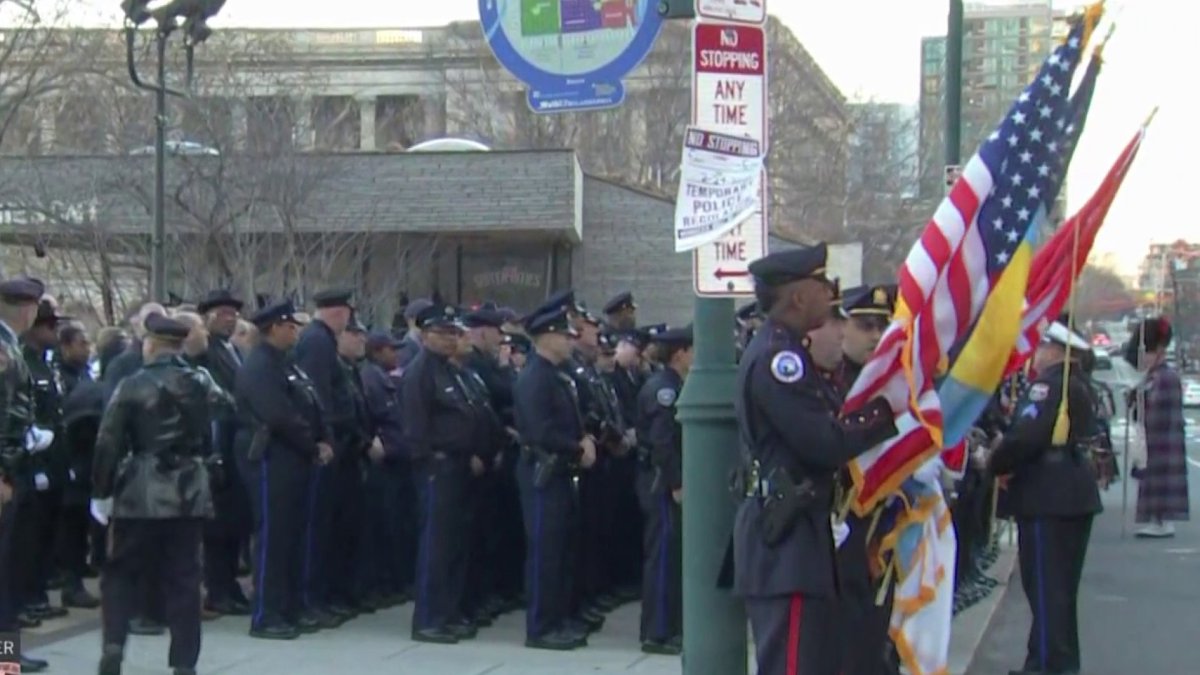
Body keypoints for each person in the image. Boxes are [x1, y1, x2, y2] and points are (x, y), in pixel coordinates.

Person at [733, 244, 898, 675]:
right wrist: (887, 412)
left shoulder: (789, 351)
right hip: (786, 542)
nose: (829, 293)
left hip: (801, 539)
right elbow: (823, 441)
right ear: (798, 296)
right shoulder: (779, 359)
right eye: (821, 284)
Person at [92, 312, 229, 675]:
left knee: (120, 571)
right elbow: (225, 408)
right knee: (185, 578)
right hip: (188, 488)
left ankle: (114, 644)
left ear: (151, 345)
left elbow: (108, 441)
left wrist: (101, 491)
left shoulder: (133, 384)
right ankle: (184, 662)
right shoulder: (201, 381)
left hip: (140, 488)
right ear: (180, 346)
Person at [988, 320, 1102, 675]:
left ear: (1054, 351)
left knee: (1045, 587)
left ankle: (1048, 665)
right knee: (1060, 591)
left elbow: (1026, 436)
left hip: (1047, 494)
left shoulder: (1049, 386)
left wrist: (995, 462)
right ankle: (1052, 661)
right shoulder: (1079, 383)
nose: (1035, 354)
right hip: (1071, 492)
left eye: (1040, 347)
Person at [236, 301, 329, 640]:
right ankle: (267, 614)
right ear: (273, 327)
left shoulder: (286, 362)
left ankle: (291, 606)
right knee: (274, 537)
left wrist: (323, 438)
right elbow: (278, 415)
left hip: (295, 458)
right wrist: (312, 444)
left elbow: (311, 403)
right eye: (290, 326)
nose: (295, 332)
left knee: (293, 535)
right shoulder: (260, 365)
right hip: (271, 457)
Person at [514, 303, 596, 651]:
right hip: (543, 471)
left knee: (561, 550)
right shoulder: (535, 377)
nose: (569, 341)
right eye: (564, 335)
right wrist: (577, 448)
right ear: (545, 338)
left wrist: (584, 438)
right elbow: (540, 430)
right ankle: (541, 626)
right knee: (545, 552)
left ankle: (559, 617)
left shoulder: (556, 374)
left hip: (561, 471)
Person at [402, 303, 479, 644]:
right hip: (437, 467)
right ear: (424, 335)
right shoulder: (420, 371)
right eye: (442, 333)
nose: (450, 339)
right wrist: (429, 460)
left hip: (458, 466)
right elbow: (415, 424)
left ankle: (448, 612)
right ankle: (429, 619)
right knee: (436, 545)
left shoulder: (449, 370)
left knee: (453, 545)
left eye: (454, 333)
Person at [292, 288, 357, 625]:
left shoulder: (322, 340)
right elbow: (317, 395)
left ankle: (320, 595)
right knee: (315, 527)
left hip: (336, 442)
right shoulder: (317, 342)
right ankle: (309, 599)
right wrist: (325, 437)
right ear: (339, 313)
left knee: (327, 527)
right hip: (324, 446)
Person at [0, 277, 52, 672]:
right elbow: (4, 416)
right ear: (28, 309)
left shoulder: (10, 345)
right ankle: (7, 660)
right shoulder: (4, 349)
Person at [635, 324, 692, 655]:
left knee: (671, 555)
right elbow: (662, 442)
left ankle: (669, 625)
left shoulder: (674, 384)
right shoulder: (664, 390)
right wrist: (676, 482)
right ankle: (657, 632)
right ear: (680, 354)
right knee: (663, 555)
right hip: (661, 482)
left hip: (665, 479)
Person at [195, 290, 253, 616]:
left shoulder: (234, 351)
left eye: (233, 314)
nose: (229, 320)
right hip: (220, 442)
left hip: (236, 445)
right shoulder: (208, 352)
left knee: (235, 521)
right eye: (222, 314)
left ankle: (229, 584)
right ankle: (218, 587)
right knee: (218, 525)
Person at [18, 300, 76, 618]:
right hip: (31, 463)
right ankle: (24, 600)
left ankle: (37, 595)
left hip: (54, 460)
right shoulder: (21, 362)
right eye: (50, 326)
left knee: (46, 535)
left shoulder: (46, 363)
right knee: (27, 537)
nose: (55, 332)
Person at [1125, 316, 1189, 538]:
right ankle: (1157, 518)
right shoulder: (1154, 376)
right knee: (1152, 477)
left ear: (1159, 350)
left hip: (1161, 436)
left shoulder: (1165, 377)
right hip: (1155, 435)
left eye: (1148, 352)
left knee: (1160, 478)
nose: (1144, 357)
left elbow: (1156, 409)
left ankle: (1163, 519)